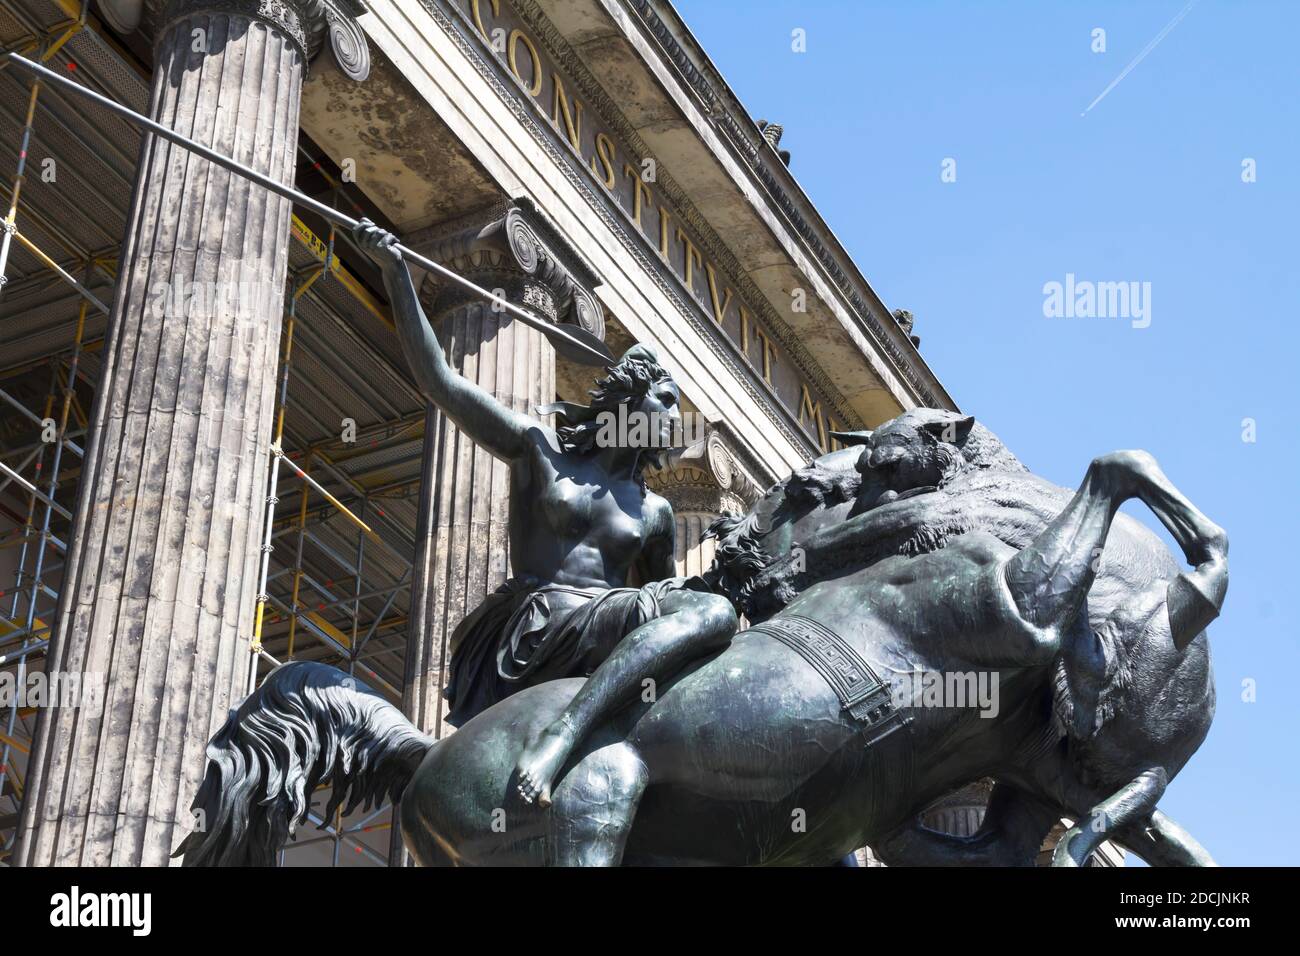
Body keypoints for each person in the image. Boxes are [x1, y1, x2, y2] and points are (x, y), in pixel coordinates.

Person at [355, 219, 737, 806]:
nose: (672, 415)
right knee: (703, 609)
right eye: (665, 400)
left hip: (602, 628)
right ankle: (562, 735)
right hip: (533, 621)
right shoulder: (540, 448)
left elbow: (662, 617)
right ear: (626, 398)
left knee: (695, 629)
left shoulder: (657, 510)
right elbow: (440, 380)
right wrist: (396, 273)